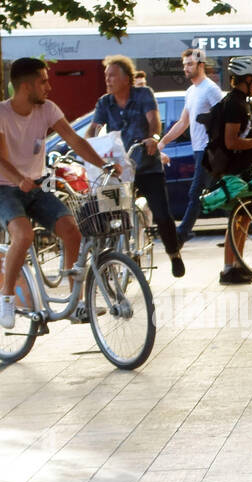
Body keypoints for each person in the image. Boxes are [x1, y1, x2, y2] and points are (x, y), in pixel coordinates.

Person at [0, 58, 118, 329]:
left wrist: (103, 164)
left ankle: (75, 303)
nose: (49, 87)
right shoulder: (3, 114)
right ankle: (6, 296)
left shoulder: (47, 109)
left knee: (71, 230)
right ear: (26, 86)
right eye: (43, 81)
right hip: (5, 188)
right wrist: (18, 179)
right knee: (24, 234)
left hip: (36, 186)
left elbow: (75, 140)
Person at [87, 55, 185, 278]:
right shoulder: (104, 102)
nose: (108, 80)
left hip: (146, 164)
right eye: (106, 76)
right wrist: (89, 147)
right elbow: (92, 130)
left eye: (112, 75)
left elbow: (153, 121)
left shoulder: (143, 94)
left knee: (161, 213)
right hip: (119, 169)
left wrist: (153, 138)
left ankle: (173, 254)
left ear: (126, 79)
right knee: (109, 213)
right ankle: (112, 256)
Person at [210, 57, 252, 286]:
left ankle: (238, 265)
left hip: (245, 168)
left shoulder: (246, 102)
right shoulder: (234, 104)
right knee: (237, 219)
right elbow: (231, 142)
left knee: (243, 219)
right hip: (235, 170)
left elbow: (243, 134)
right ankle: (228, 269)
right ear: (247, 79)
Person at [161, 48, 223, 245]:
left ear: (201, 65)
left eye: (190, 64)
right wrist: (163, 142)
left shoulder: (211, 89)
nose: (186, 69)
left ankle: (180, 235)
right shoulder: (191, 91)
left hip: (209, 149)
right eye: (184, 65)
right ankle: (243, 221)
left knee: (195, 192)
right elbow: (182, 123)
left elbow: (224, 118)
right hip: (198, 149)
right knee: (220, 190)